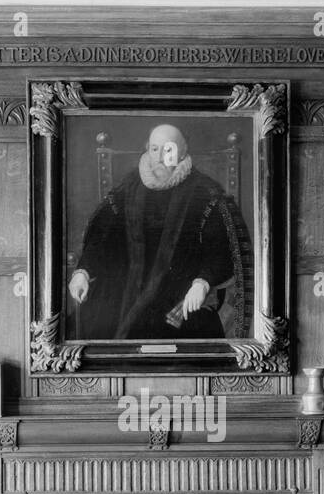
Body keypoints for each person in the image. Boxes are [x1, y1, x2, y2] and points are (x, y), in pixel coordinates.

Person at [67, 123, 251, 340]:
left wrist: (202, 283)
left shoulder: (205, 193)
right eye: (155, 149)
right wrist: (83, 272)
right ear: (147, 150)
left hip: (180, 290)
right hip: (125, 286)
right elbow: (102, 238)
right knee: (91, 320)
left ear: (183, 152)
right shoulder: (128, 188)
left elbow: (220, 249)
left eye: (169, 149)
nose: (161, 156)